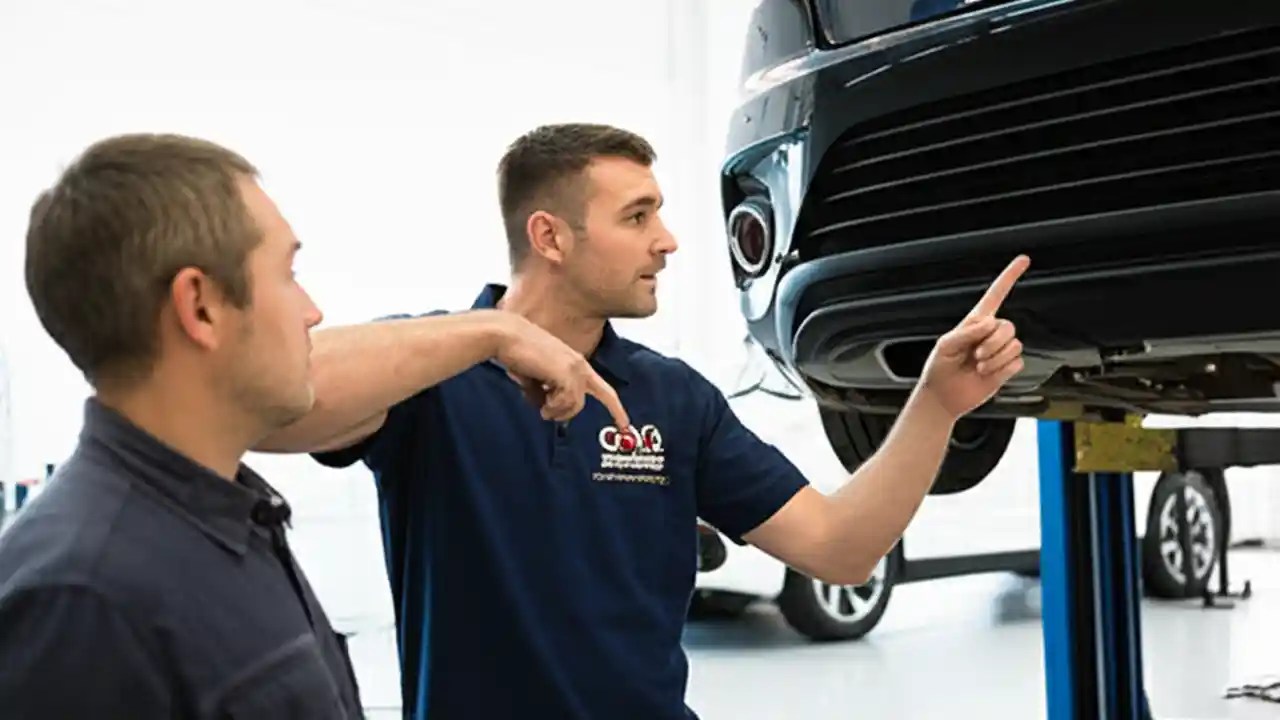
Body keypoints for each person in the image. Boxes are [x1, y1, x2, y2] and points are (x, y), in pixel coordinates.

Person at [256, 123, 1029, 720]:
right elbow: (276, 399)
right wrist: (490, 335)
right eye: (638, 216)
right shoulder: (435, 373)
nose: (668, 240)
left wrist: (935, 402)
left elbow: (840, 549)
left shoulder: (674, 400)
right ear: (550, 236)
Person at [0, 133, 619, 718]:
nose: (313, 311)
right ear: (200, 307)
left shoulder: (224, 523)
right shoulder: (82, 598)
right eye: (287, 274)